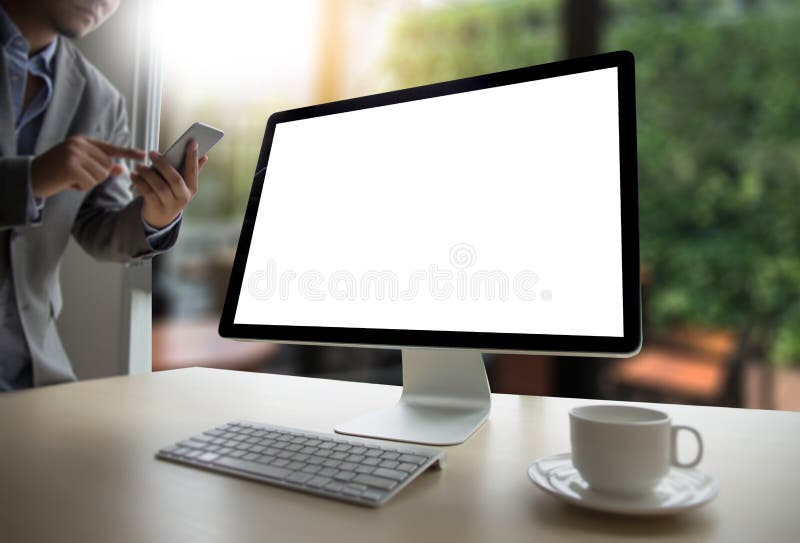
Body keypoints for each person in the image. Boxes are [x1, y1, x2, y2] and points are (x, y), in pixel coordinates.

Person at [0, 0, 207, 390]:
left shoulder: (101, 99)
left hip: (33, 375)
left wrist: (156, 216)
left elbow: (100, 229)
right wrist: (30, 179)